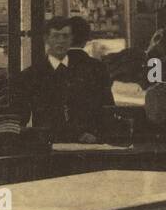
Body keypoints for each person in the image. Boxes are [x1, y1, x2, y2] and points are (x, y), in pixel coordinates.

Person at [10, 15, 114, 144]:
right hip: (48, 149)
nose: (61, 41)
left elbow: (108, 111)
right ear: (46, 39)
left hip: (89, 147)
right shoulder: (30, 76)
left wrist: (96, 136)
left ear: (71, 39)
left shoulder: (92, 70)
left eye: (65, 36)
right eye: (55, 36)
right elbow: (18, 123)